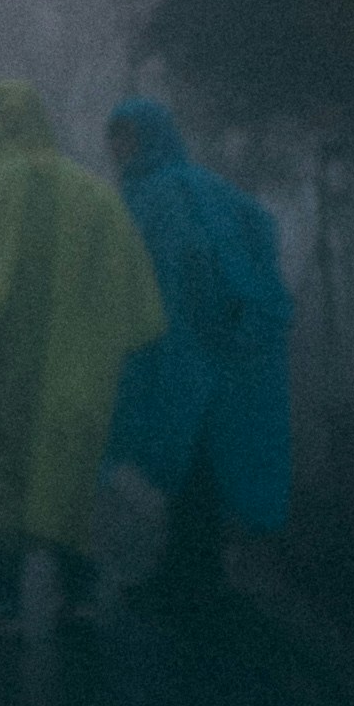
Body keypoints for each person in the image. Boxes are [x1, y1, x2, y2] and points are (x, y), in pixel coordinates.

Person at [0, 79, 166, 643]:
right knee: (69, 476)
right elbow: (134, 282)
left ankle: (1, 607)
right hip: (76, 370)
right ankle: (79, 599)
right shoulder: (93, 194)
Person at [102, 96, 296, 607]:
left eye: (127, 137)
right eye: (114, 138)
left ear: (149, 137)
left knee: (191, 453)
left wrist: (202, 327)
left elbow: (193, 263)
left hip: (190, 346)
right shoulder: (173, 187)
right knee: (192, 454)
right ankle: (192, 573)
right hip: (196, 344)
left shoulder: (172, 190)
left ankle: (192, 578)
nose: (118, 148)